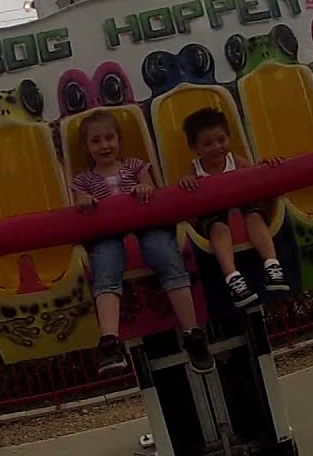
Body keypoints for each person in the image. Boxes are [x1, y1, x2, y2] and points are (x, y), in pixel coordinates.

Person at [71, 111, 214, 376]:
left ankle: (193, 333)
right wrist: (83, 200)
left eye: (110, 138)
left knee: (165, 254)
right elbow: (80, 201)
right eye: (96, 141)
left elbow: (150, 187)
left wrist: (143, 189)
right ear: (86, 148)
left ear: (119, 140)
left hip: (146, 226)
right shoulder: (84, 181)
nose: (105, 145)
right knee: (105, 264)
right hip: (108, 233)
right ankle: (110, 342)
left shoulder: (136, 167)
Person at [178, 107, 290, 307]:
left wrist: (266, 164)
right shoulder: (195, 169)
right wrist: (186, 181)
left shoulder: (234, 160)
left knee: (255, 218)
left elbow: (256, 174)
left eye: (221, 140)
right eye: (208, 143)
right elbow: (184, 190)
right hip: (213, 215)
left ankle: (272, 265)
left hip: (243, 207)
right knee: (218, 230)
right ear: (195, 148)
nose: (217, 147)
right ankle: (232, 277)